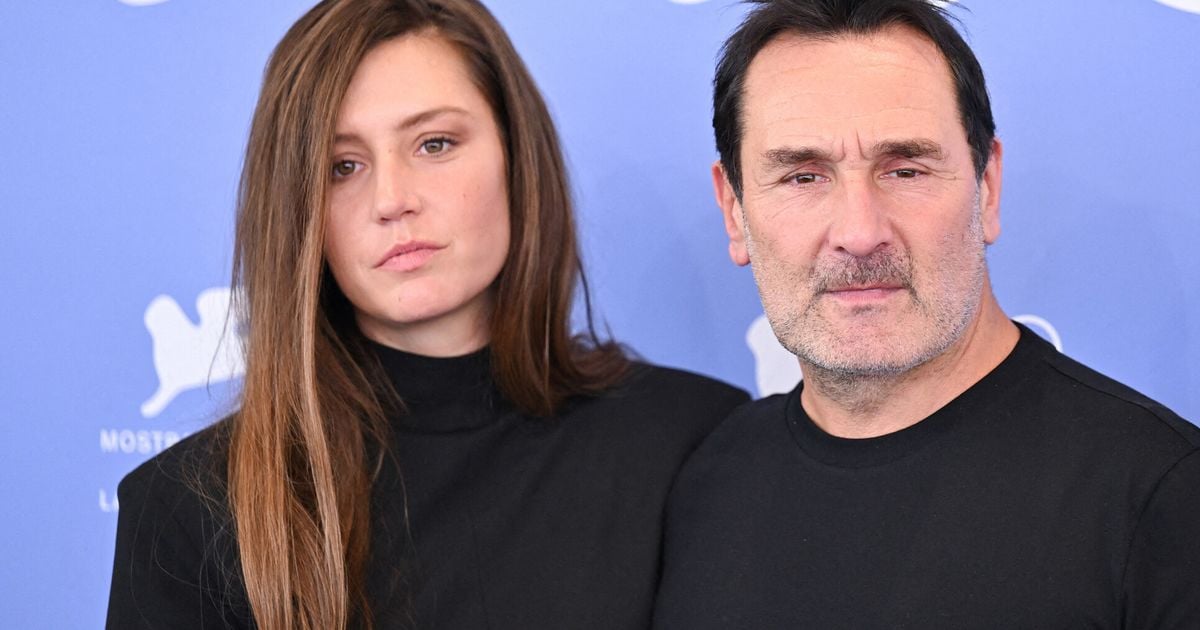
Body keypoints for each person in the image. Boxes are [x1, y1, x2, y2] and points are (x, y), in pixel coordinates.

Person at [105, 1, 748, 628]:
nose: (392, 199)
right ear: (298, 210)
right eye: (342, 166)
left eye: (434, 144)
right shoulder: (185, 510)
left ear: (516, 156)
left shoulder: (693, 441)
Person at [652, 0, 1200, 628]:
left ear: (987, 187)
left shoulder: (1162, 499)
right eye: (803, 177)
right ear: (734, 210)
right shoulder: (702, 483)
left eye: (906, 170)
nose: (859, 233)